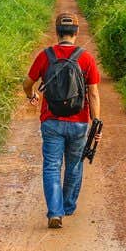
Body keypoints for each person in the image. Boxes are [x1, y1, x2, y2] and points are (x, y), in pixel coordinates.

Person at [25, 13, 102, 229]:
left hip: (51, 122)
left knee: (51, 166)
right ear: (76, 32)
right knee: (74, 164)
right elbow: (93, 94)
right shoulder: (86, 58)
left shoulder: (45, 55)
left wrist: (31, 95)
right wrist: (96, 123)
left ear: (57, 32)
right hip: (79, 122)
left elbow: (27, 82)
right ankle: (67, 206)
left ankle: (55, 212)